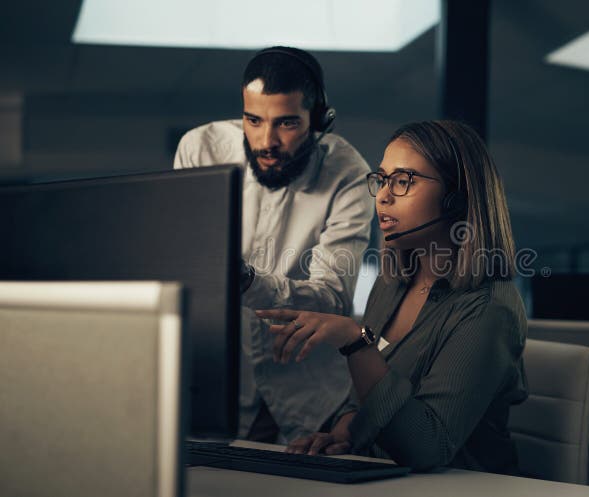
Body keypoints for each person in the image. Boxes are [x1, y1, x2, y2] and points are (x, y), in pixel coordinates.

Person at [257, 120, 528, 474]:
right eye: (382, 179)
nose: (383, 196)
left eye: (403, 181)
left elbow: (427, 446)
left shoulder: (489, 308)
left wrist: (355, 342)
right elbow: (364, 397)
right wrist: (345, 432)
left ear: (456, 199)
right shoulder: (392, 284)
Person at [173, 47, 373, 443]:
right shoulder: (201, 149)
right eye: (254, 120)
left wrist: (245, 280)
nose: (267, 141)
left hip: (311, 395)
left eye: (287, 123)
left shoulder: (350, 175)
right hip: (221, 385)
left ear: (319, 121)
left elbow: (332, 299)